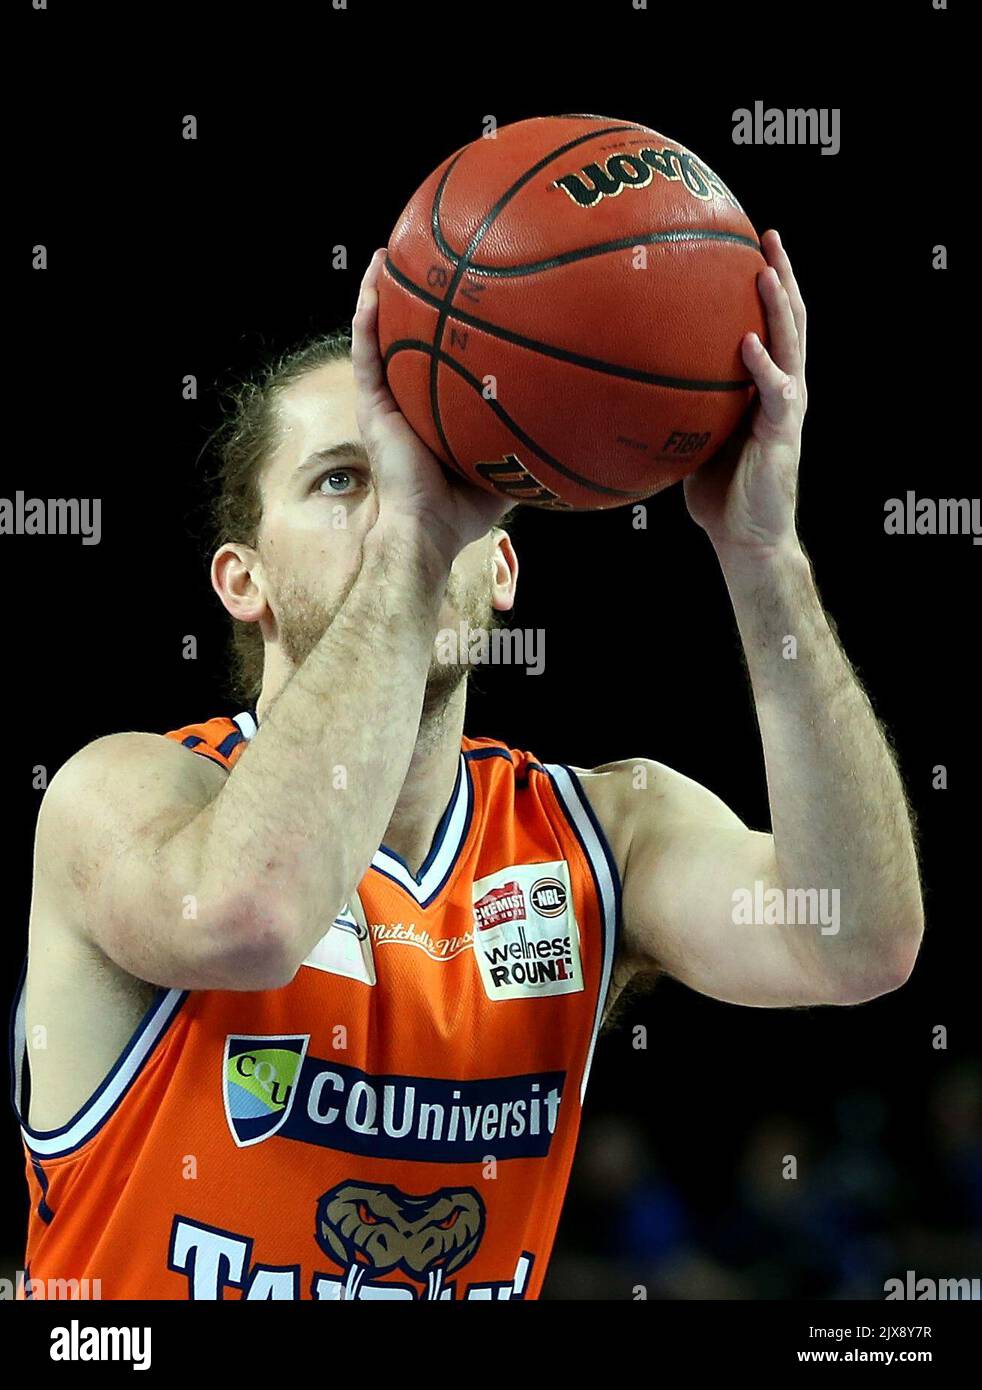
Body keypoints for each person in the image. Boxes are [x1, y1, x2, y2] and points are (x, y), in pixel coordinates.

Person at [12, 236, 924, 1300]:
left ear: (501, 563)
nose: (405, 505)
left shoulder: (603, 833)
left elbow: (857, 943)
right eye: (344, 479)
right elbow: (247, 915)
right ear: (241, 580)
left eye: (438, 478)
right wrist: (408, 540)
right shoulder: (127, 795)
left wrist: (765, 555)